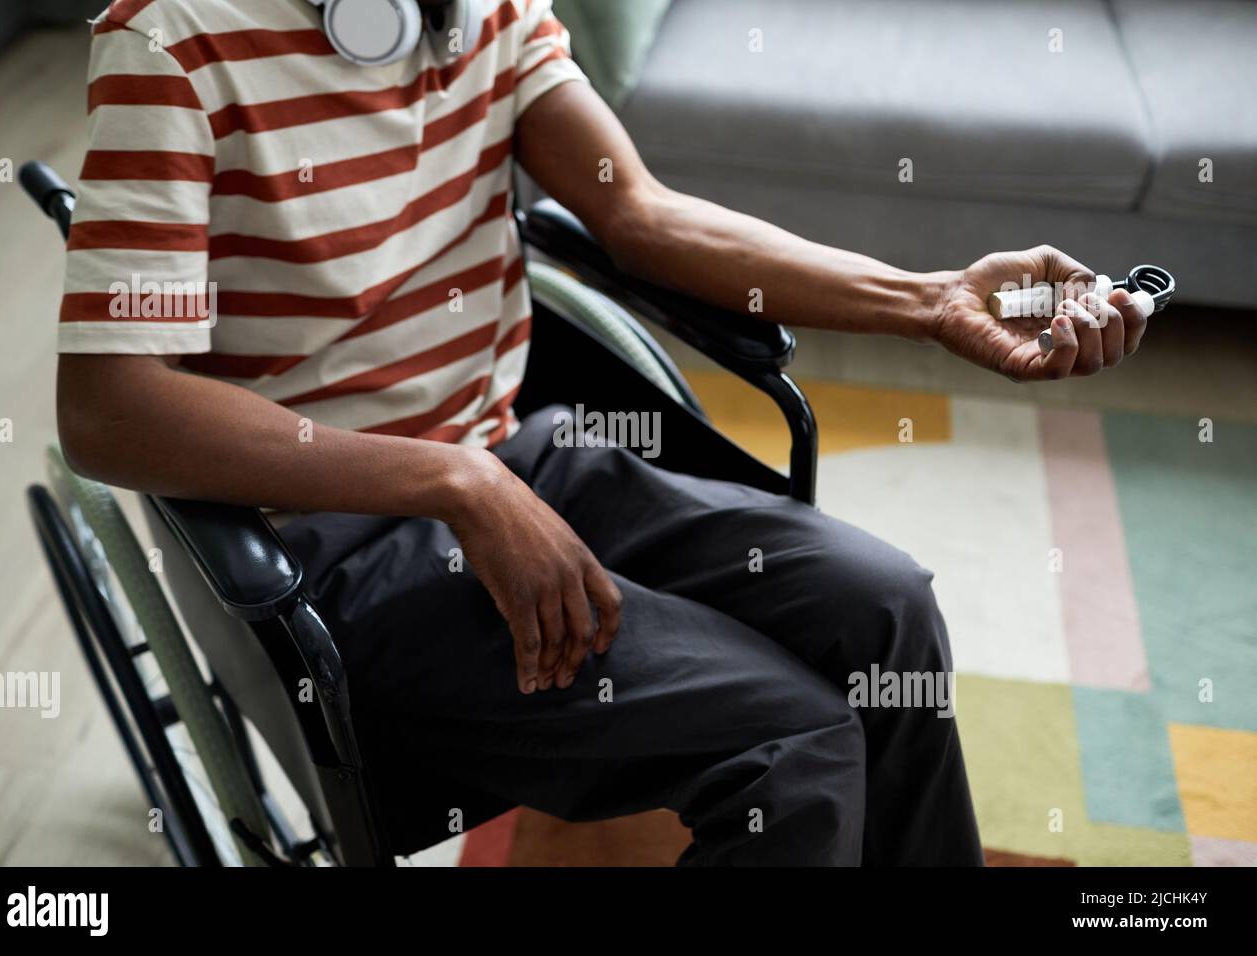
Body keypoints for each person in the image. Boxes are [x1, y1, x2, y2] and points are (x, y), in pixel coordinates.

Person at [56, 0, 1149, 865]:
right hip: (337, 542)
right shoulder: (172, 43)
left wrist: (933, 296)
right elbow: (110, 406)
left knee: (885, 609)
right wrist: (453, 482)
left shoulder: (481, 7)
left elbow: (641, 214)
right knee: (795, 743)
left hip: (521, 457)